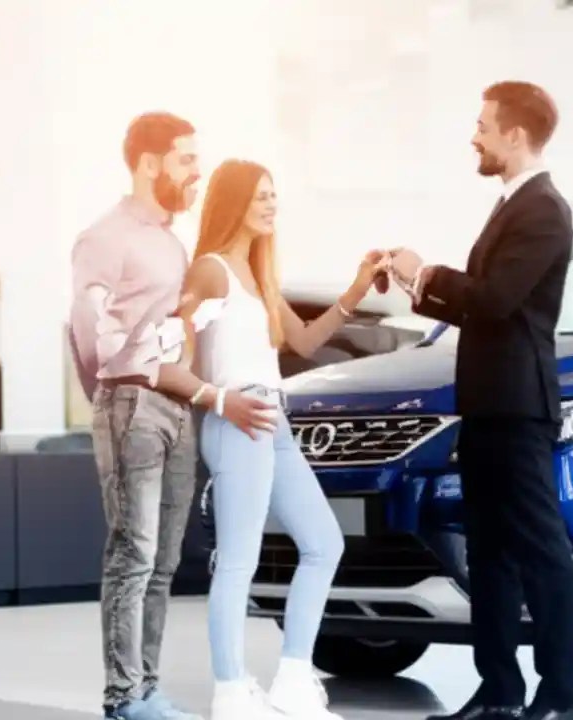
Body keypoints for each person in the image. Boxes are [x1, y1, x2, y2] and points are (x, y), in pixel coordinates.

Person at [69, 112, 276, 720]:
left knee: (161, 562)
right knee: (132, 555)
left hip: (178, 408)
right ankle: (121, 699)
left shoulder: (171, 242)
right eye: (186, 160)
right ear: (149, 163)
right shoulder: (104, 237)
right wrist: (121, 390)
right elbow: (90, 337)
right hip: (132, 405)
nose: (196, 172)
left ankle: (147, 691)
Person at [387, 81, 573, 720]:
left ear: (515, 134)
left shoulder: (543, 208)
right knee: (491, 554)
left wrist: (428, 272)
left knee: (541, 553)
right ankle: (499, 693)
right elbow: (488, 306)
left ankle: (560, 699)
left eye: (482, 126)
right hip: (488, 406)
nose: (474, 137)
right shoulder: (513, 204)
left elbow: (496, 299)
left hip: (519, 408)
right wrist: (417, 285)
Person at [172, 159, 388, 720]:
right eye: (261, 195)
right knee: (238, 561)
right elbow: (174, 360)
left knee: (324, 543)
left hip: (276, 419)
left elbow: (306, 341)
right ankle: (230, 693)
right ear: (234, 201)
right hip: (238, 420)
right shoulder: (211, 272)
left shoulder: (257, 276)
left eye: (274, 195)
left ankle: (293, 680)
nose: (272, 204)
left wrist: (357, 288)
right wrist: (219, 400)